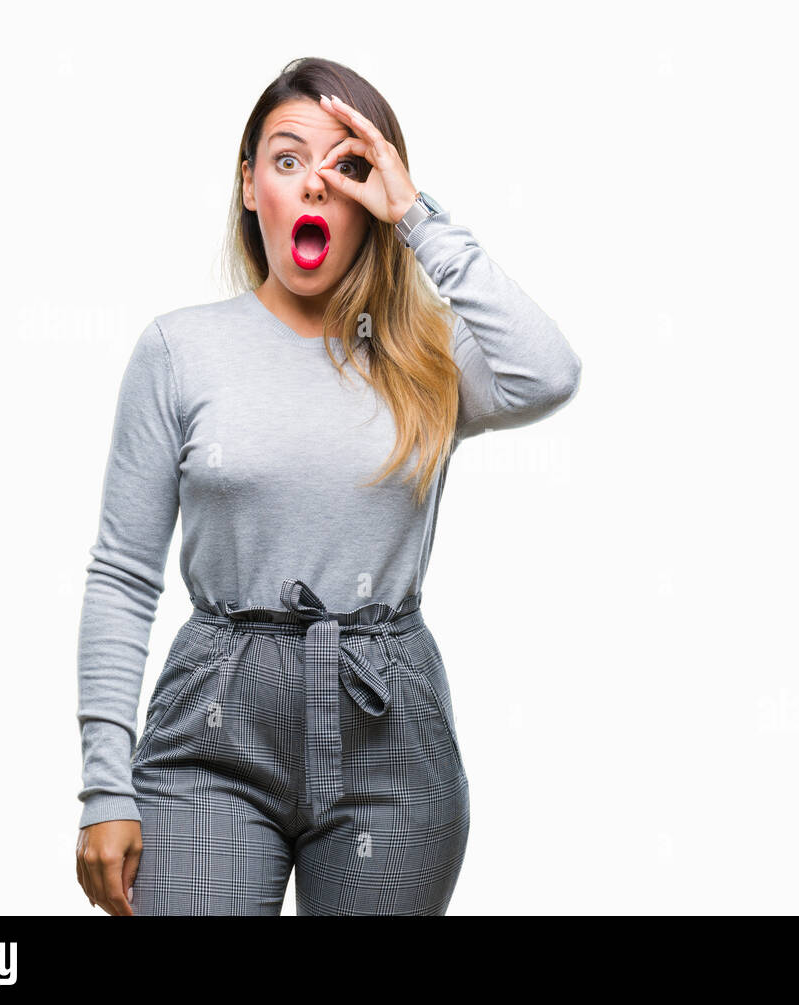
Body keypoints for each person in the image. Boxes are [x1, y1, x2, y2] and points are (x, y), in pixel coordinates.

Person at [73, 56, 582, 915]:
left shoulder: (427, 355)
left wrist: (416, 214)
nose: (313, 187)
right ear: (248, 187)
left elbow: (549, 371)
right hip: (212, 728)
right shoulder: (178, 351)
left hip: (392, 733)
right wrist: (104, 787)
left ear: (369, 196)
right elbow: (122, 573)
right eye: (285, 160)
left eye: (345, 167)